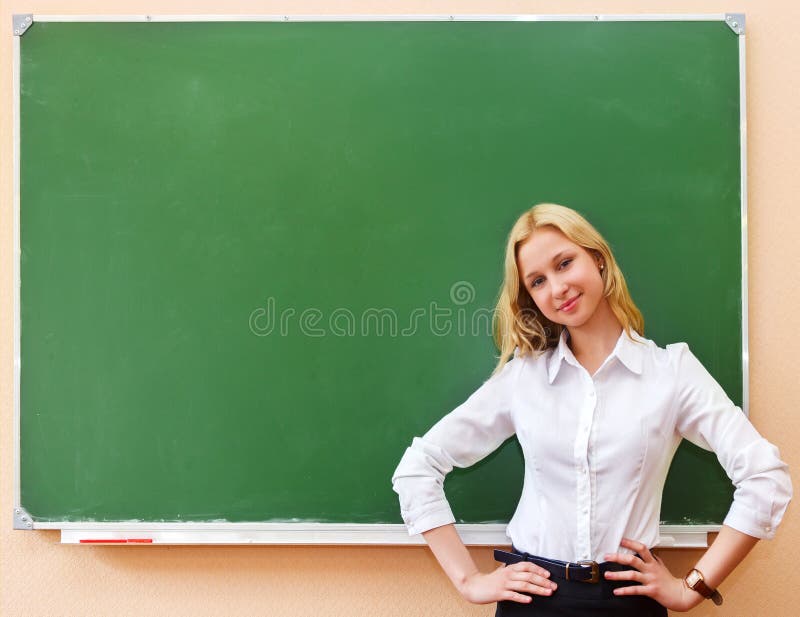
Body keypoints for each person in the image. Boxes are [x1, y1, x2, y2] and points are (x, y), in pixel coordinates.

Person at [391, 203, 792, 615]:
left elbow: (765, 477)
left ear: (597, 259)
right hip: (534, 601)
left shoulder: (671, 373)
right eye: (538, 281)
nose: (558, 288)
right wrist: (469, 581)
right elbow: (418, 468)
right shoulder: (524, 379)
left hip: (627, 602)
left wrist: (691, 588)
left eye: (565, 263)